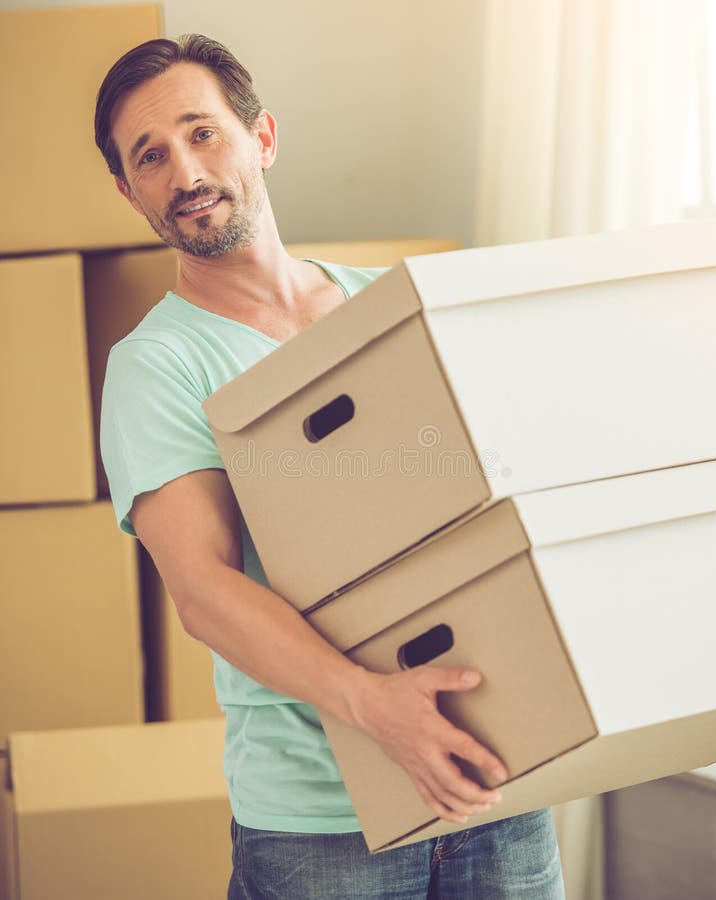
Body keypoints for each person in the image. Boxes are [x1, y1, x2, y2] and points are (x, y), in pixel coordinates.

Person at [94, 34, 565, 899]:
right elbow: (203, 591)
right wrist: (373, 707)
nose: (184, 172)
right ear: (129, 191)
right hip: (321, 823)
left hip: (495, 767)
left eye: (203, 134)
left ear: (261, 138)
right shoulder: (158, 366)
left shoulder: (389, 304)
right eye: (150, 156)